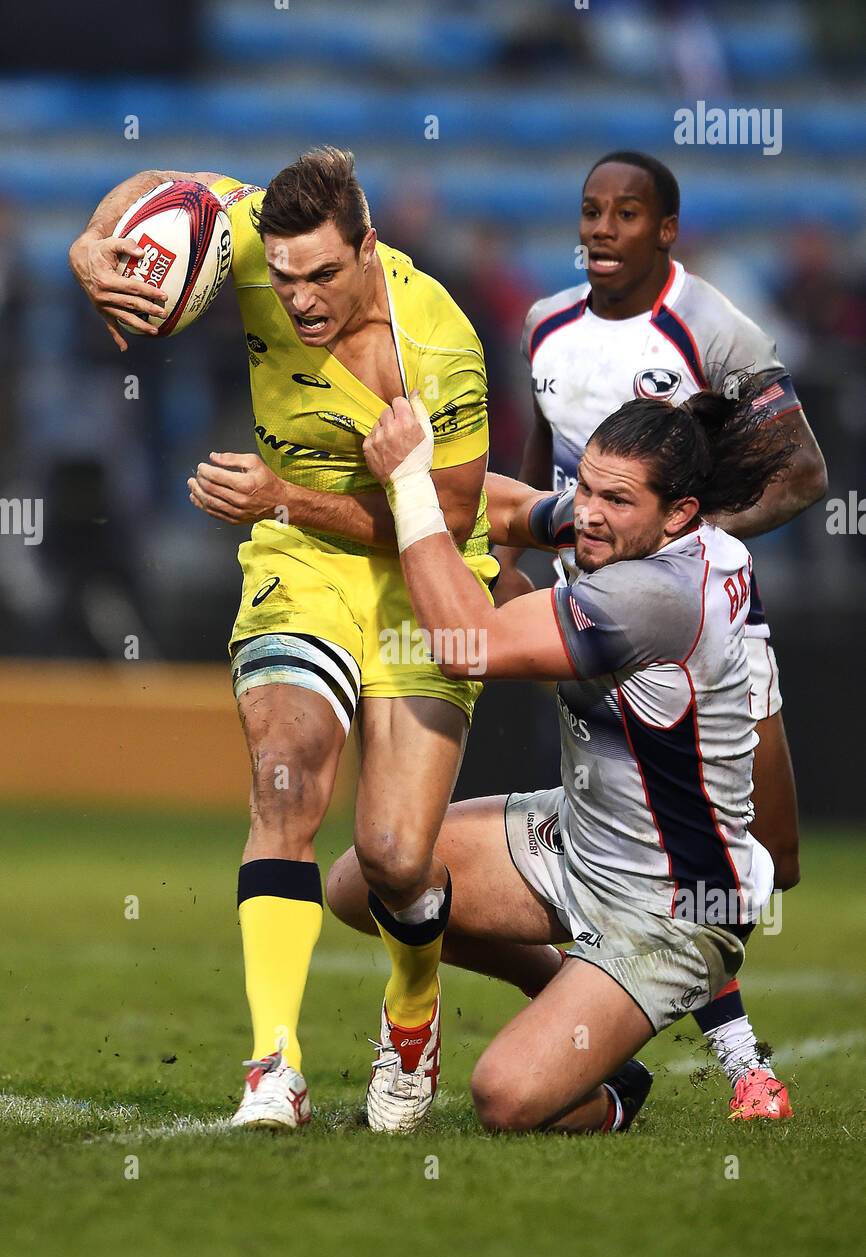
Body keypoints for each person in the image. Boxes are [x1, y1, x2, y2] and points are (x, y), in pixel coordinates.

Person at [69, 148, 498, 1133]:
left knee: (393, 853)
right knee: (285, 775)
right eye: (284, 277)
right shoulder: (256, 230)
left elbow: (451, 515)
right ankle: (274, 1066)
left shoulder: (439, 345)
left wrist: (283, 493)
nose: (297, 300)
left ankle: (412, 1013)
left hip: (419, 567)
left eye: (322, 277)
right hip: (297, 558)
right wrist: (91, 245)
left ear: (368, 247)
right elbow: (159, 181)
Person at [327, 378, 796, 1133]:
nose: (588, 515)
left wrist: (411, 484)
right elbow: (512, 508)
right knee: (372, 878)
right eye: (585, 488)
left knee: (505, 1101)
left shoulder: (657, 595)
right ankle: (572, 1010)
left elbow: (463, 647)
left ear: (678, 514)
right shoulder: (678, 540)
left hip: (668, 906)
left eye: (616, 501)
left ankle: (613, 1095)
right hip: (582, 840)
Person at [492, 151, 827, 1119]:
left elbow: (800, 470)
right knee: (655, 846)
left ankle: (639, 1011)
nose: (600, 228)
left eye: (624, 213)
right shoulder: (542, 324)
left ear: (664, 229)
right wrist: (516, 550)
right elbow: (539, 448)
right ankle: (733, 1058)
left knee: (772, 857)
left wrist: (685, 554)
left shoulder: (712, 325)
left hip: (700, 626)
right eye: (589, 211)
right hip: (593, 626)